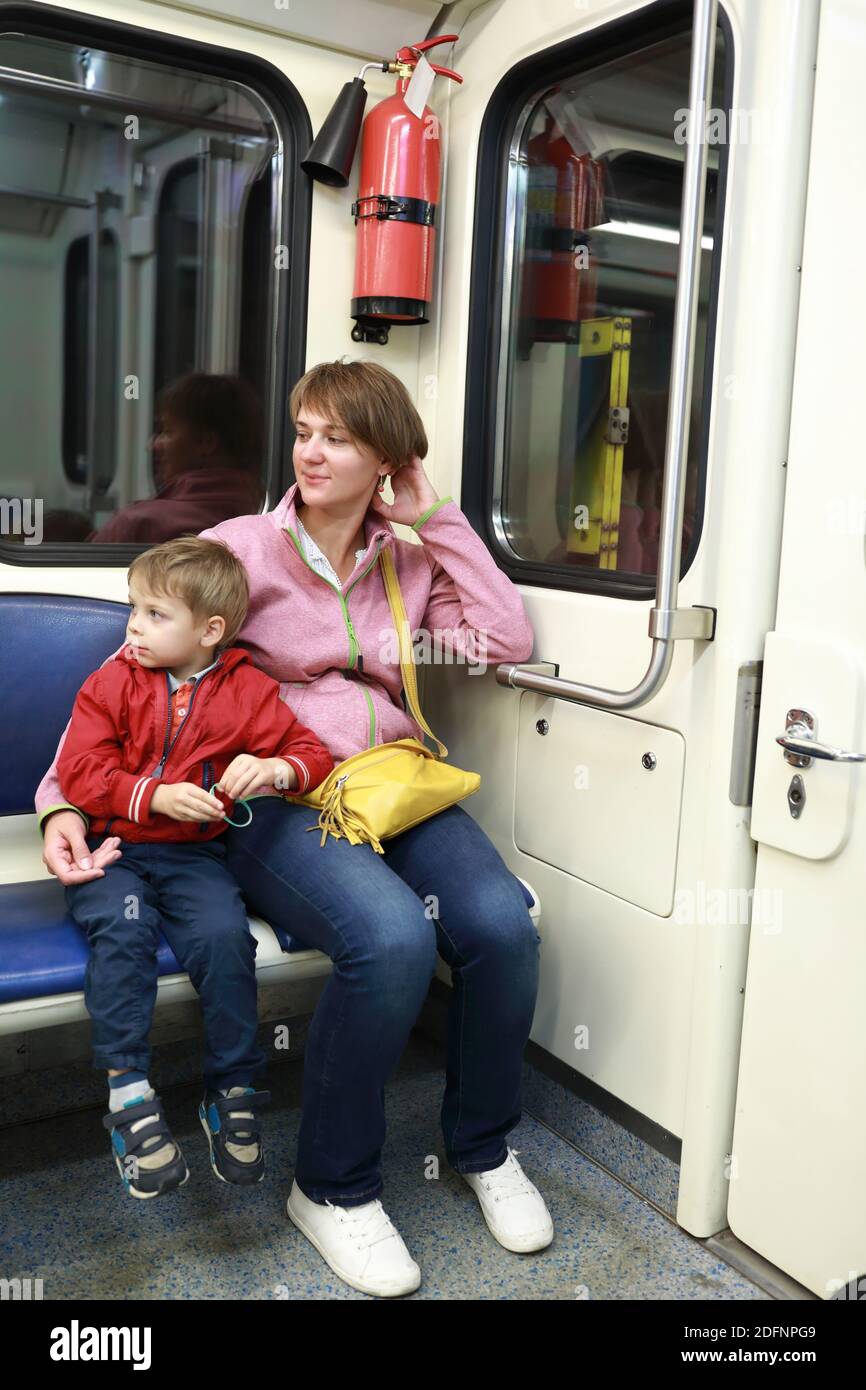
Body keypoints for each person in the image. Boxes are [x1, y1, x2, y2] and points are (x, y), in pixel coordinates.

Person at [37, 358, 553, 1297]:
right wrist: (61, 802)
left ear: (388, 460)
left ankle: (482, 1147)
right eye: (304, 431)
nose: (310, 452)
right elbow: (136, 682)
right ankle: (334, 1189)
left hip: (391, 782)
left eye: (339, 438)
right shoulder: (242, 546)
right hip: (276, 799)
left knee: (499, 925)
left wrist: (436, 519)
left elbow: (505, 641)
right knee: (393, 940)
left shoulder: (409, 555)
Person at [55, 535, 333, 1199]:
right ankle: (128, 1095)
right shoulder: (113, 680)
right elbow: (80, 770)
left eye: (155, 615)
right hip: (113, 847)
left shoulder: (247, 692)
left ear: (210, 631)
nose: (134, 627)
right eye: (134, 609)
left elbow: (310, 753)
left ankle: (231, 1086)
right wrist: (149, 795)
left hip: (192, 855)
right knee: (121, 937)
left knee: (222, 939)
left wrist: (273, 768)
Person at [88, 374, 264, 544]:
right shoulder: (263, 519)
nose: (153, 445)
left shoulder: (137, 524)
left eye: (166, 431)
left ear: (206, 442)